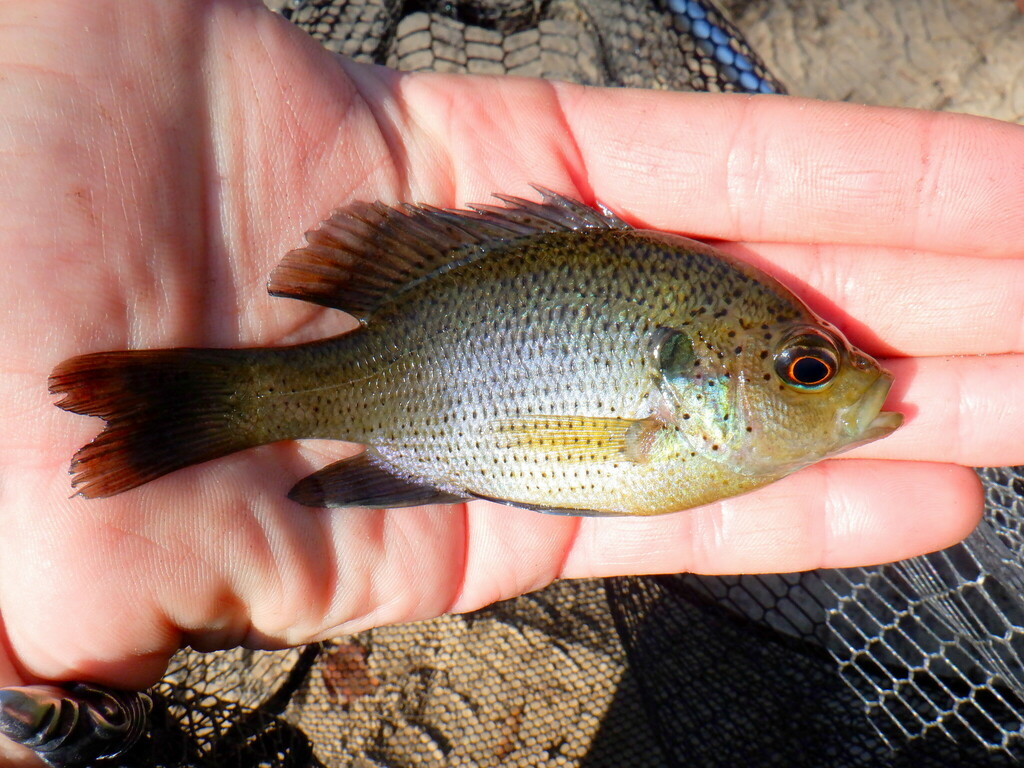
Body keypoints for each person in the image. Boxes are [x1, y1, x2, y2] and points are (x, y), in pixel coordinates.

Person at [0, 0, 1021, 761]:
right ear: (692, 385)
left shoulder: (708, 375)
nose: (842, 389)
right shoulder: (679, 404)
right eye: (806, 370)